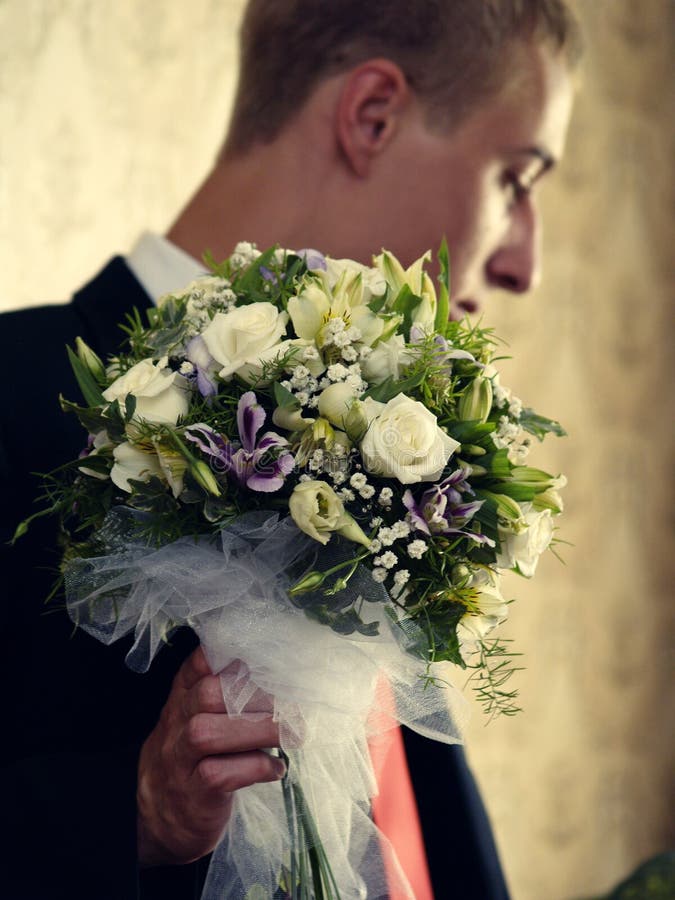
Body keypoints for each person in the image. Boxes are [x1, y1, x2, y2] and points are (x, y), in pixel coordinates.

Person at [1, 1, 581, 897]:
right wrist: (132, 815)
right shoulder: (11, 393)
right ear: (372, 115)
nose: (522, 266)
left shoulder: (400, 469)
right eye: (515, 177)